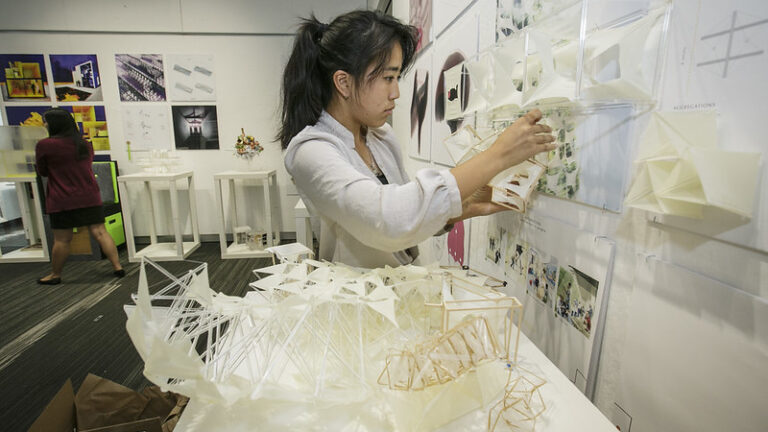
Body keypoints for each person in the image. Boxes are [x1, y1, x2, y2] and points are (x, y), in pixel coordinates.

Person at [281, 10, 556, 268]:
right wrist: (498, 155)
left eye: (397, 77)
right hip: (356, 305)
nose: (396, 92)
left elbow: (407, 219)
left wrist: (463, 207)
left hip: (403, 290)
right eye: (388, 78)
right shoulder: (310, 151)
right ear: (343, 83)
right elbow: (387, 220)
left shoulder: (381, 137)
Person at [35, 108, 124, 284]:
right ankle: (117, 266)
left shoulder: (45, 145)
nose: (44, 124)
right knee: (100, 232)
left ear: (53, 124)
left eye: (46, 121)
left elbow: (43, 171)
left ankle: (55, 274)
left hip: (62, 198)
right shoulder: (84, 144)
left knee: (62, 239)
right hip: (89, 195)